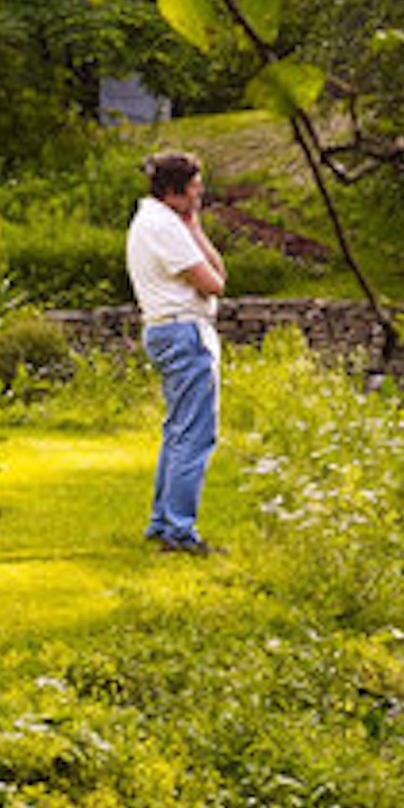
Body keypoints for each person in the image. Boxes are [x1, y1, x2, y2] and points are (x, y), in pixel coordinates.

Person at [127, 150, 226, 555]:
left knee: (178, 432)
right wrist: (192, 230)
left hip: (168, 330)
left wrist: (195, 227)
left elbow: (218, 271)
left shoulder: (159, 221)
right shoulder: (162, 227)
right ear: (173, 191)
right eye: (194, 190)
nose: (200, 196)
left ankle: (163, 523)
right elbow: (215, 282)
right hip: (184, 333)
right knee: (195, 435)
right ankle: (180, 532)